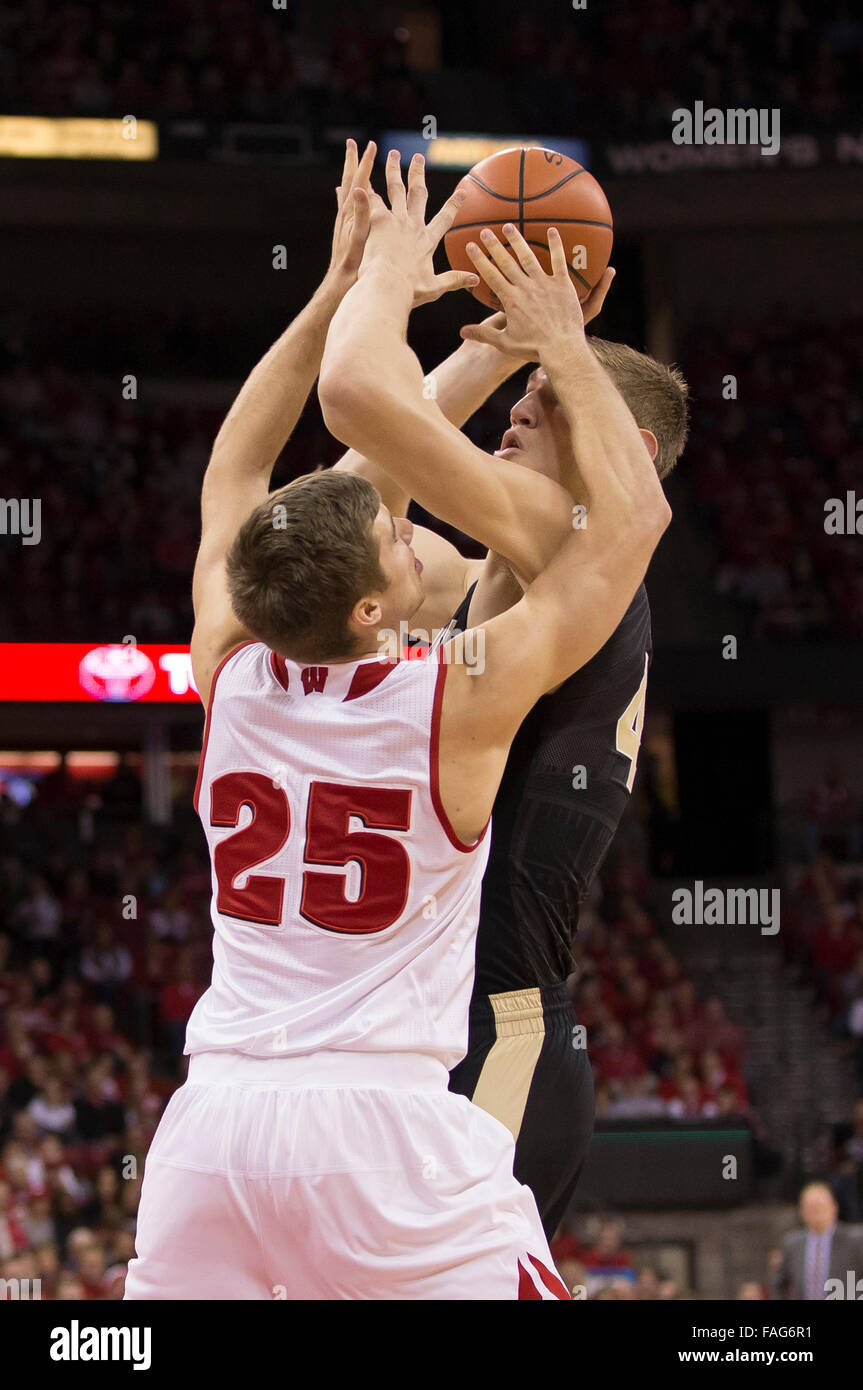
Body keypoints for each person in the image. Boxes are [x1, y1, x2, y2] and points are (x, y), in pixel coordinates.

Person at [124, 142, 669, 1300]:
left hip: (278, 1094)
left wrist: (373, 285)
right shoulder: (457, 682)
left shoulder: (230, 665)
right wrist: (540, 338)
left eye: (537, 406)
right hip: (392, 1097)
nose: (513, 415)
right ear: (378, 600)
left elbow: (284, 477)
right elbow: (347, 482)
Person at [334, 159, 688, 1234]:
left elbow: (368, 409)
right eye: (516, 392)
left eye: (539, 401)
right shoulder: (463, 577)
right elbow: (347, 506)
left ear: (617, 457)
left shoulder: (576, 550)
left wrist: (544, 343)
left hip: (502, 1030)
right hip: (427, 1030)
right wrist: (502, 346)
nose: (510, 410)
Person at [770, 1181, 863, 1299]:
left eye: (820, 1206)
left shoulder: (855, 1240)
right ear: (802, 1211)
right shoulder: (792, 1243)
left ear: (834, 1207)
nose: (816, 1212)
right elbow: (778, 1282)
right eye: (810, 1207)